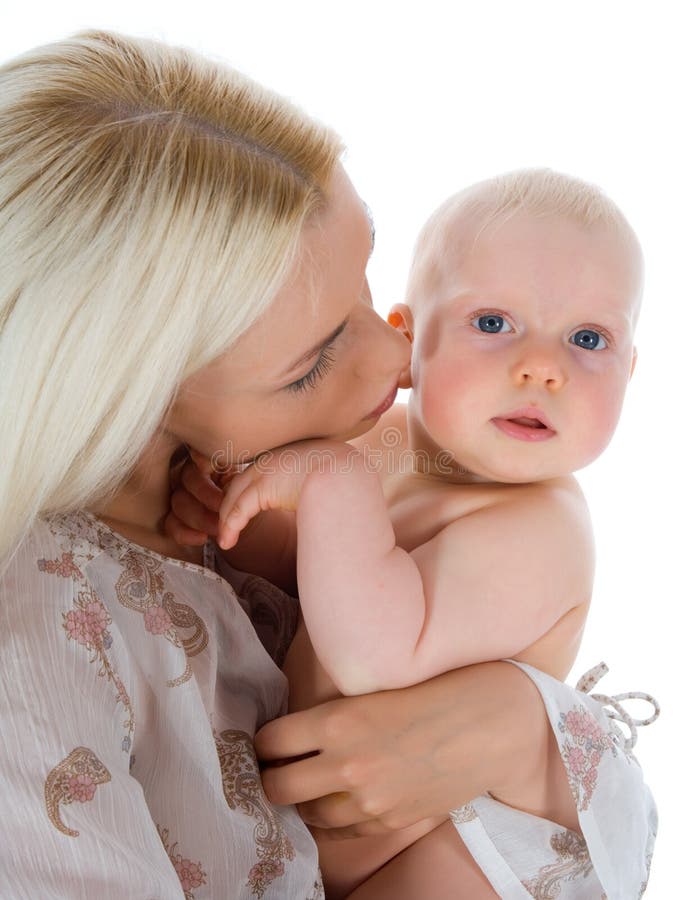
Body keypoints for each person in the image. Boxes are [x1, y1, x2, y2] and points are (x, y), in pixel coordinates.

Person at [0, 30, 655, 899]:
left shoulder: (286, 484)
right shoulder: (45, 619)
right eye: (310, 363)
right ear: (126, 394)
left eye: (366, 281)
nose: (395, 363)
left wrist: (531, 733)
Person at [200, 169, 656, 897]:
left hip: (458, 850)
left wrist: (331, 481)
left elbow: (376, 660)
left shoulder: (542, 531)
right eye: (494, 323)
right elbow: (311, 574)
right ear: (408, 340)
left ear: (629, 373)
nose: (543, 369)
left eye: (588, 338)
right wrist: (238, 517)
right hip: (330, 830)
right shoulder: (386, 444)